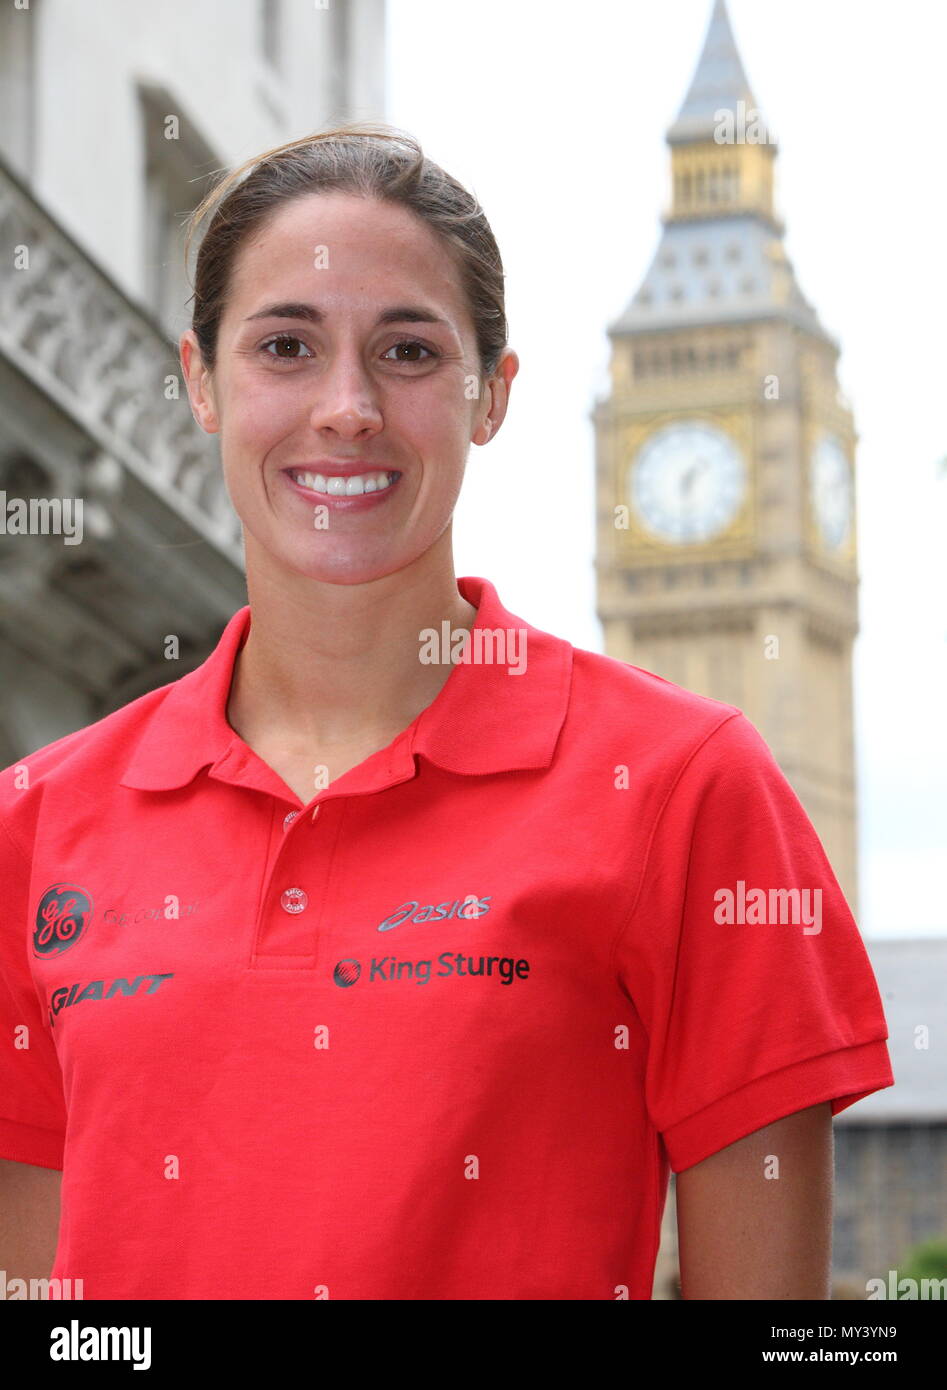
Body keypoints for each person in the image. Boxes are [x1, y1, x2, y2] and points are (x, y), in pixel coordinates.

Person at [0, 122, 893, 1301]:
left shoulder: (685, 788)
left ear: (492, 395)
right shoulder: (34, 820)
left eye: (409, 351)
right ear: (201, 381)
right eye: (284, 345)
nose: (347, 408)